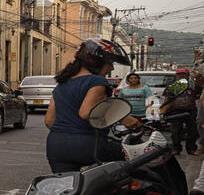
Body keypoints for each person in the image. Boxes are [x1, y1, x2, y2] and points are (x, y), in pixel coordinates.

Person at [44, 40, 138, 173]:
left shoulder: (61, 84)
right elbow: (86, 112)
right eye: (109, 63)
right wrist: (123, 119)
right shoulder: (96, 81)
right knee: (144, 157)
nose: (111, 68)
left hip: (56, 146)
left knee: (69, 190)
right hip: (89, 145)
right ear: (96, 61)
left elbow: (49, 121)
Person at [161, 68, 197, 156]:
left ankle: (191, 149)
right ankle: (176, 149)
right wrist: (163, 110)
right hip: (175, 110)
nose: (182, 76)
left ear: (188, 75)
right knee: (175, 131)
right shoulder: (172, 86)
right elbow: (167, 99)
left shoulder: (194, 86)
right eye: (180, 74)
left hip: (191, 110)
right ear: (177, 76)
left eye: (184, 74)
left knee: (192, 131)